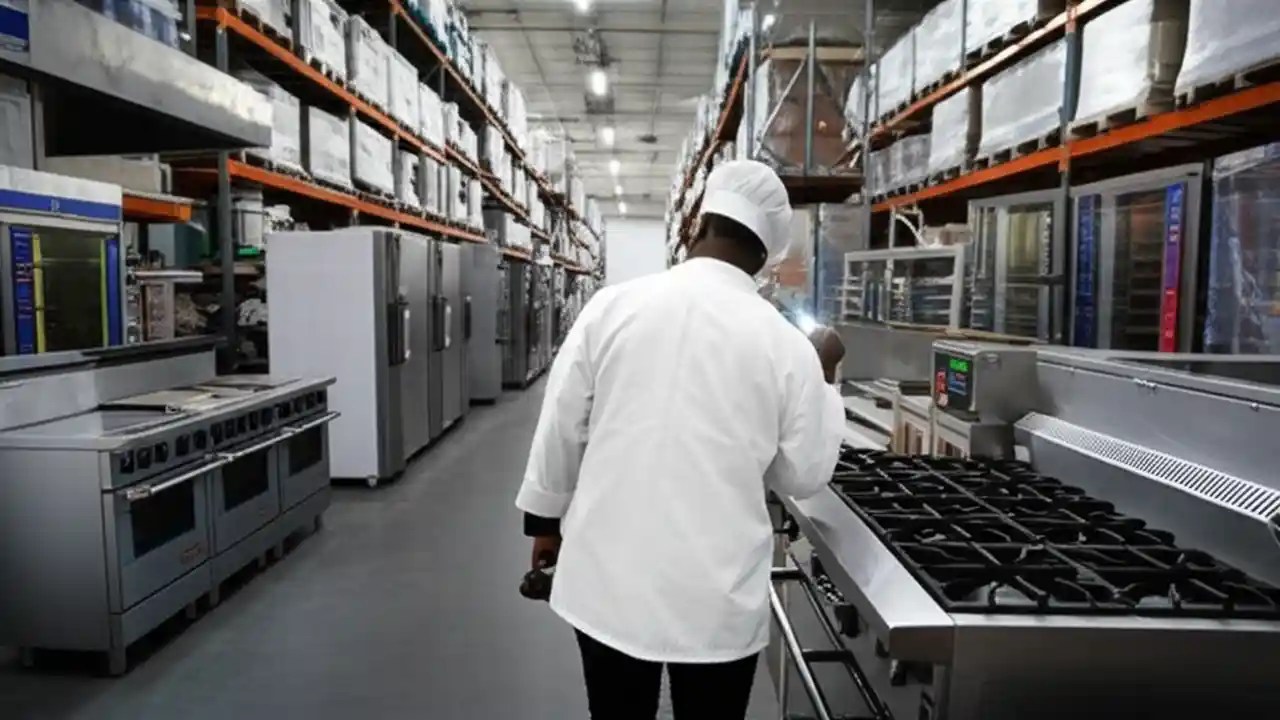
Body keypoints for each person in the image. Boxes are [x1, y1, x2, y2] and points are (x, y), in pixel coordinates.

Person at [515, 160, 846, 720]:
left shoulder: (612, 307)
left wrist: (545, 524)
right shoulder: (784, 344)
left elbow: (561, 428)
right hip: (715, 602)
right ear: (766, 257)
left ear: (698, 224)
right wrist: (825, 378)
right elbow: (803, 474)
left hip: (607, 585)